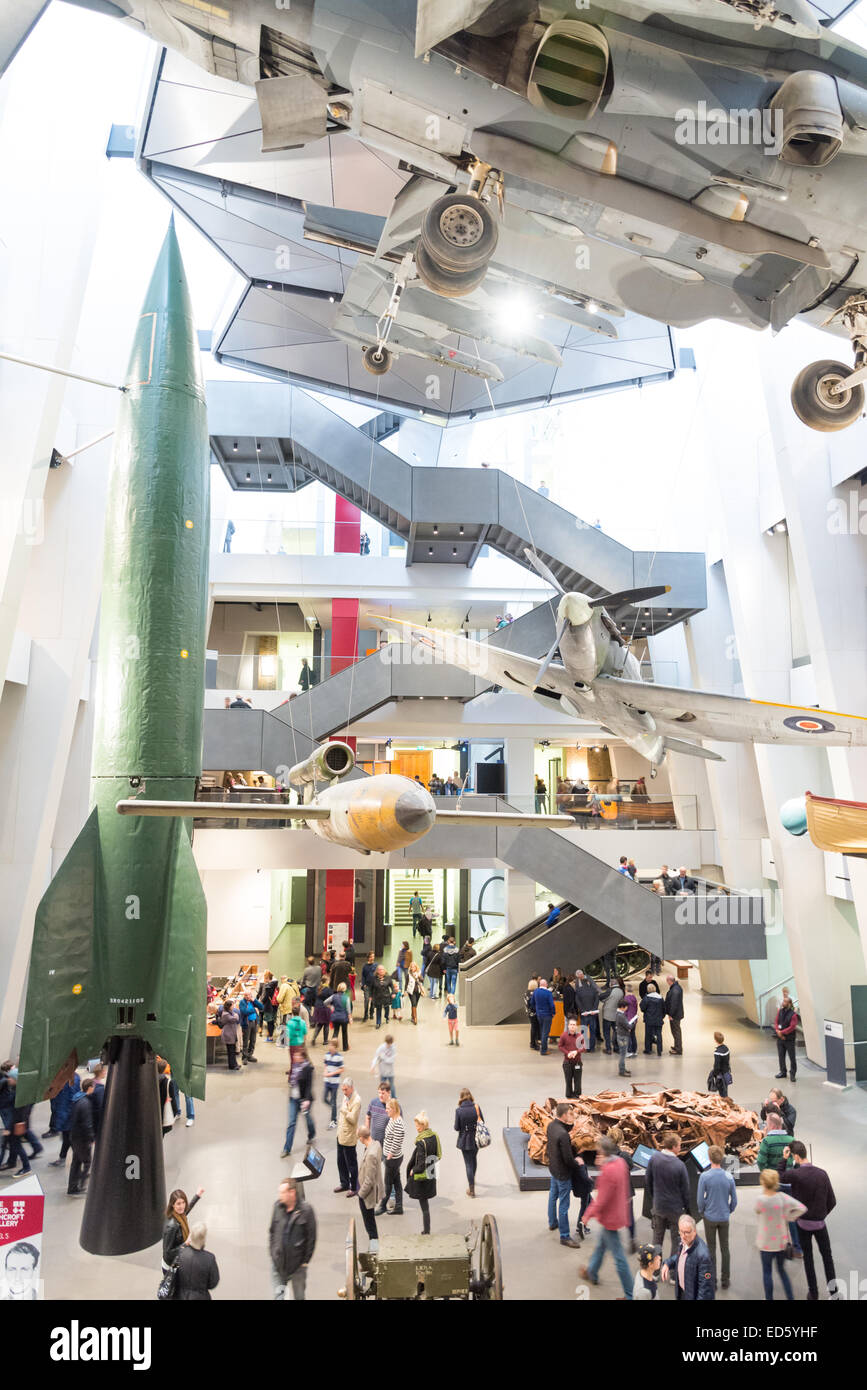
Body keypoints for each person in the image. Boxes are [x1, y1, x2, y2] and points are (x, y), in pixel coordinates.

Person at [781, 1140, 836, 1301]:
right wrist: (821, 1215)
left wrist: (784, 1159)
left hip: (803, 1224)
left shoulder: (795, 1175)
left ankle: (813, 1293)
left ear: (796, 1157)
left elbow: (780, 1176)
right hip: (820, 1224)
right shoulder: (822, 1174)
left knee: (809, 1259)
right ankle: (834, 1293)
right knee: (828, 1258)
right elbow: (832, 1200)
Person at [579, 1137, 634, 1298]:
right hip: (617, 1212)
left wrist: (587, 1215)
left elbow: (601, 1200)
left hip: (610, 1218)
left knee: (619, 1258)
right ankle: (592, 1272)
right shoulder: (620, 1163)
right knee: (601, 1246)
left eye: (599, 1153)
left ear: (604, 1153)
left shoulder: (609, 1171)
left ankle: (630, 1294)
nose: (597, 1156)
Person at [754, 1169, 806, 1300]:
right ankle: (790, 1297)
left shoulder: (760, 1200)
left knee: (767, 1272)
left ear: (763, 1183)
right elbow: (802, 1208)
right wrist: (789, 1217)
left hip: (765, 1244)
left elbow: (757, 1211)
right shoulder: (783, 1198)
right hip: (781, 1243)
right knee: (782, 1271)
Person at [269, 1178, 316, 1301]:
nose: (280, 1196)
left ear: (292, 1192)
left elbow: (311, 1238)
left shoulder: (306, 1211)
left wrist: (305, 1261)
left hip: (298, 1267)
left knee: (299, 1297)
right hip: (278, 1264)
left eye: (282, 1193)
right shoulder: (277, 1207)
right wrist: (273, 1253)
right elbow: (272, 1231)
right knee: (279, 1297)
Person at [697, 1145, 737, 1289]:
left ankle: (712, 1280)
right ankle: (725, 1280)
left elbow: (700, 1200)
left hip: (710, 1217)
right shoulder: (729, 1177)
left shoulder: (704, 1176)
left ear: (709, 1158)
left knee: (711, 1249)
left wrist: (702, 1212)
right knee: (725, 1249)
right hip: (724, 1217)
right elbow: (735, 1200)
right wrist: (728, 1211)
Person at [646, 1133, 690, 1256]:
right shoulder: (680, 1165)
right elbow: (685, 1190)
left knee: (657, 1239)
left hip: (659, 1207)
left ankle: (654, 1271)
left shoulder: (654, 1159)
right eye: (679, 1146)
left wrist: (655, 1199)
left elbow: (648, 1181)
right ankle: (672, 1270)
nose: (680, 1148)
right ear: (674, 1146)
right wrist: (686, 1208)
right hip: (675, 1210)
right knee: (676, 1241)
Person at [546, 1102, 582, 1249]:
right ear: (565, 1115)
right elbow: (568, 1159)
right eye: (570, 1113)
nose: (572, 1115)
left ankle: (552, 1223)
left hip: (553, 1168)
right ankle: (565, 1236)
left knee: (553, 1196)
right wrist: (577, 1162)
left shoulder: (551, 1126)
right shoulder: (563, 1135)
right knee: (564, 1205)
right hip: (563, 1173)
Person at [661, 1215, 715, 1300]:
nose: (683, 1236)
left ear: (694, 1231)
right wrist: (668, 1263)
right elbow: (681, 1257)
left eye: (686, 1232)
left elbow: (705, 1290)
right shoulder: (684, 1241)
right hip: (683, 1292)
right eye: (681, 1231)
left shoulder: (703, 1256)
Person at [405, 1111, 441, 1235]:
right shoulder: (434, 1136)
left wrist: (412, 1171)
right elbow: (439, 1154)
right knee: (426, 1205)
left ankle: (426, 1231)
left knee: (424, 1205)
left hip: (422, 1177)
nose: (416, 1128)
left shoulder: (421, 1142)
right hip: (432, 1172)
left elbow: (420, 1164)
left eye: (417, 1125)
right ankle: (427, 1230)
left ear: (422, 1125)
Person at [162, 1187, 204, 1278]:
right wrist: (186, 1244)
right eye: (178, 1204)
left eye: (183, 1202)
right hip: (171, 1266)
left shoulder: (179, 1216)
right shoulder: (172, 1226)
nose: (182, 1206)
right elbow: (168, 1252)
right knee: (176, 1290)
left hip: (178, 1259)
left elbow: (186, 1210)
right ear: (172, 1205)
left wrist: (197, 1196)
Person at [281, 1048, 315, 1157]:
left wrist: (306, 1100)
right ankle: (287, 1149)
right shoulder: (295, 1066)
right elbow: (292, 1082)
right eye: (294, 1056)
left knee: (308, 1120)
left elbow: (309, 1085)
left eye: (297, 1056)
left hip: (304, 1100)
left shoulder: (308, 1068)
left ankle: (312, 1134)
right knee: (291, 1123)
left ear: (303, 1057)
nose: (295, 1058)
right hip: (293, 1099)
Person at [356, 1124, 385, 1251]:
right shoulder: (376, 1144)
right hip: (367, 1191)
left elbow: (369, 1180)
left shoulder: (371, 1155)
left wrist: (360, 1195)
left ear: (362, 1138)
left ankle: (374, 1250)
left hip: (367, 1195)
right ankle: (374, 1247)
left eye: (359, 1138)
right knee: (370, 1221)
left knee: (370, 1224)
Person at [173, 1223, 219, 1300]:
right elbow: (213, 1283)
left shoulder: (180, 1254)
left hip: (180, 1296)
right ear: (204, 1238)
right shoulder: (209, 1259)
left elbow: (173, 1272)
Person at [67, 1078, 95, 1195]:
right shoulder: (85, 1103)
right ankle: (81, 1185)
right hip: (82, 1138)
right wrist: (91, 1137)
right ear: (89, 1088)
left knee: (76, 1161)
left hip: (74, 1136)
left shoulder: (77, 1099)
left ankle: (73, 1186)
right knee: (87, 1162)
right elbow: (87, 1123)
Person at [379, 1098, 405, 1217]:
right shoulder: (392, 1119)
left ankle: (382, 1206)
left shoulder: (398, 1122)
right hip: (391, 1157)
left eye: (388, 1109)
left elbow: (397, 1140)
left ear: (394, 1109)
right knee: (397, 1182)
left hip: (393, 1159)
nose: (386, 1110)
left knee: (388, 1183)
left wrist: (389, 1155)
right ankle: (399, 1207)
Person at [455, 1087, 483, 1197]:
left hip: (464, 1140)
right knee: (473, 1160)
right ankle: (472, 1182)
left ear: (461, 1098)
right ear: (470, 1096)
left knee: (468, 1164)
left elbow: (457, 1127)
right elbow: (482, 1121)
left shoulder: (459, 1111)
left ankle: (471, 1189)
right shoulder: (476, 1107)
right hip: (476, 1139)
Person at [335, 1079, 361, 1196]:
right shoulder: (346, 1097)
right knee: (340, 1161)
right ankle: (344, 1183)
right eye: (343, 1090)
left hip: (349, 1137)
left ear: (351, 1088)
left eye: (346, 1089)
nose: (344, 1092)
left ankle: (354, 1186)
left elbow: (353, 1119)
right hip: (341, 1134)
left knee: (351, 1163)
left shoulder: (356, 1100)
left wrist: (344, 1110)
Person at [774, 986, 799, 1082]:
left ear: (789, 1004)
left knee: (792, 1057)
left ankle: (792, 1073)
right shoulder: (780, 1011)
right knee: (781, 1056)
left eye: (784, 1002)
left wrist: (782, 1032)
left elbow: (792, 1027)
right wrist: (777, 1031)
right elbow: (776, 1021)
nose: (782, 1003)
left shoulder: (793, 1015)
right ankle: (782, 1072)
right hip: (780, 1038)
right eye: (783, 1001)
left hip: (789, 1039)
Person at [757, 1107, 793, 1171]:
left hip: (772, 1178)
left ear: (772, 1126)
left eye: (767, 1124)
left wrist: (768, 1174)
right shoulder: (792, 1140)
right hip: (788, 1177)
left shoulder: (766, 1141)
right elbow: (798, 1160)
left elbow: (760, 1162)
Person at [558, 1017, 585, 1098]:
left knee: (578, 1081)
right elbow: (560, 1046)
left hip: (577, 1062)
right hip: (567, 1063)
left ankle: (577, 1095)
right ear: (568, 1026)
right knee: (568, 1081)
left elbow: (584, 1047)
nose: (572, 1026)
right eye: (571, 1025)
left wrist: (576, 1052)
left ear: (576, 1026)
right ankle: (569, 1096)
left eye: (574, 1025)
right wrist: (568, 1053)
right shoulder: (564, 1035)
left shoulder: (580, 1036)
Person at [574, 970, 600, 1052]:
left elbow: (577, 1001)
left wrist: (583, 1010)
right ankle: (592, 1048)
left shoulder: (579, 990)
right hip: (592, 1014)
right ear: (588, 982)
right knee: (592, 1031)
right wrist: (593, 1009)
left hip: (584, 1014)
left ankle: (585, 1047)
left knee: (584, 1031)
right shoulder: (593, 990)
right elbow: (597, 999)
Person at [640, 979, 665, 1055]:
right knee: (659, 1034)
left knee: (648, 1034)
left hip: (649, 1020)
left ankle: (648, 1049)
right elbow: (664, 1009)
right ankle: (659, 1050)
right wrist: (661, 1016)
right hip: (658, 1020)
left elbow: (642, 1007)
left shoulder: (646, 998)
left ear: (648, 990)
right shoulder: (660, 998)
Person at [600, 976, 625, 1054]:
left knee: (606, 1032)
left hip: (607, 1015)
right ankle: (616, 1048)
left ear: (611, 983)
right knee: (616, 1032)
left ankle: (608, 1049)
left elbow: (601, 997)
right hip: (616, 1015)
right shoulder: (621, 991)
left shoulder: (609, 991)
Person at [322, 1041, 343, 1129]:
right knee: (324, 1098)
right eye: (329, 1045)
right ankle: (333, 1106)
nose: (330, 1047)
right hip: (327, 1081)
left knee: (333, 1100)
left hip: (334, 1082)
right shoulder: (326, 1055)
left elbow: (341, 1069)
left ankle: (334, 1121)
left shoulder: (339, 1057)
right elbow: (325, 1065)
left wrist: (331, 1074)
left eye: (331, 1045)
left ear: (335, 1047)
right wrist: (325, 1072)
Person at [238, 990, 263, 1064]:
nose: (247, 997)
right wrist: (254, 1009)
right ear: (244, 996)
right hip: (247, 1024)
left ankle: (250, 1055)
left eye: (248, 995)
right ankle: (244, 1057)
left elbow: (261, 1007)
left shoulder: (252, 1001)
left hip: (254, 1022)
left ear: (251, 995)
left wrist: (255, 1000)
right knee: (246, 1041)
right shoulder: (242, 1002)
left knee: (253, 1040)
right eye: (246, 995)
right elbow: (244, 1011)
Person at [532, 978, 555, 1056]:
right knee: (545, 1033)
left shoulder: (536, 991)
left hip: (539, 1015)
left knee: (542, 1031)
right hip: (547, 1015)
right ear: (546, 985)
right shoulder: (548, 993)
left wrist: (537, 1009)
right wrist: (553, 1013)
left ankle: (544, 1047)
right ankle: (544, 1050)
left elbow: (532, 1003)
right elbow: (552, 1005)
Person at [366, 1080, 392, 1147]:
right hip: (373, 1141)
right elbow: (368, 1117)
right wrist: (367, 1134)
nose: (380, 1095)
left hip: (387, 1144)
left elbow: (398, 1125)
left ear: (389, 1093)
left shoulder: (394, 1106)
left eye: (383, 1093)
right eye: (379, 1093)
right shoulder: (373, 1103)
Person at [664, 974, 684, 1055]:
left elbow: (674, 1004)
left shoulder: (675, 990)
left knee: (676, 1032)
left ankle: (678, 1049)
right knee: (676, 1031)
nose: (667, 982)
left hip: (675, 1015)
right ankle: (677, 1046)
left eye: (667, 981)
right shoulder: (676, 987)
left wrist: (671, 1014)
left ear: (670, 981)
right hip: (677, 1014)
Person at [329, 983, 352, 1051]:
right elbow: (348, 1010)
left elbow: (325, 1002)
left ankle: (333, 1046)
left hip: (335, 1017)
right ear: (344, 989)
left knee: (335, 1032)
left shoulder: (333, 996)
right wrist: (350, 1018)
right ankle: (345, 1047)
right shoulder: (346, 998)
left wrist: (331, 1007)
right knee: (344, 1032)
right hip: (344, 1018)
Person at [310, 981, 333, 1046]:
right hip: (325, 1008)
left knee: (319, 1024)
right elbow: (331, 999)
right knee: (326, 1024)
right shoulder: (328, 990)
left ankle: (314, 1038)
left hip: (317, 1008)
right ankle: (325, 1041)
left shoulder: (318, 988)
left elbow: (314, 998)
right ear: (327, 981)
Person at [614, 999, 633, 1076]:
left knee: (623, 1054)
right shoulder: (621, 1015)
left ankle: (623, 1068)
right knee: (623, 1054)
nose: (627, 1008)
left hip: (620, 1035)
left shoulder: (618, 1013)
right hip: (623, 1037)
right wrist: (632, 1024)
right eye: (626, 1007)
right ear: (622, 1007)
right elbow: (628, 1026)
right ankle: (622, 1071)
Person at [710, 1031, 732, 1097]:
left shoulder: (717, 1052)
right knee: (725, 1090)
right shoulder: (726, 1048)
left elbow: (717, 1065)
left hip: (721, 1075)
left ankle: (725, 1104)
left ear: (715, 1040)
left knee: (722, 1093)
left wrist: (715, 1074)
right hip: (726, 1072)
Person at [260, 972, 280, 1041]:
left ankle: (270, 1037)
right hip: (275, 1006)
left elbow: (265, 997)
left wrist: (261, 1001)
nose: (264, 980)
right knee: (272, 1021)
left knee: (269, 1022)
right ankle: (271, 1035)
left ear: (268, 978)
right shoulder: (275, 985)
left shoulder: (268, 986)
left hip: (269, 1006)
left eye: (265, 978)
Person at [361, 951, 378, 1022]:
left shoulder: (376, 965)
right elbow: (363, 976)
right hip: (367, 986)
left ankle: (371, 1013)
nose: (372, 958)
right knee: (367, 1000)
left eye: (373, 956)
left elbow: (378, 974)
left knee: (373, 1001)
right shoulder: (365, 966)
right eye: (371, 956)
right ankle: (365, 1015)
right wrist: (363, 984)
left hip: (374, 986)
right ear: (368, 958)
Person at [623, 982, 639, 1057]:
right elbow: (636, 1009)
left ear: (626, 990)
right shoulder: (634, 998)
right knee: (633, 1035)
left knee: (628, 1035)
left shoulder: (626, 999)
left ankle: (629, 1051)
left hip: (628, 1020)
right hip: (634, 1019)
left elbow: (625, 1011)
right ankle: (634, 1050)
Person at [525, 976, 540, 1051]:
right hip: (534, 1013)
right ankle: (533, 1044)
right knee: (535, 1028)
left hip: (529, 1013)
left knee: (533, 1028)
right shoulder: (533, 993)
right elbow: (533, 1004)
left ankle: (532, 1042)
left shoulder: (526, 993)